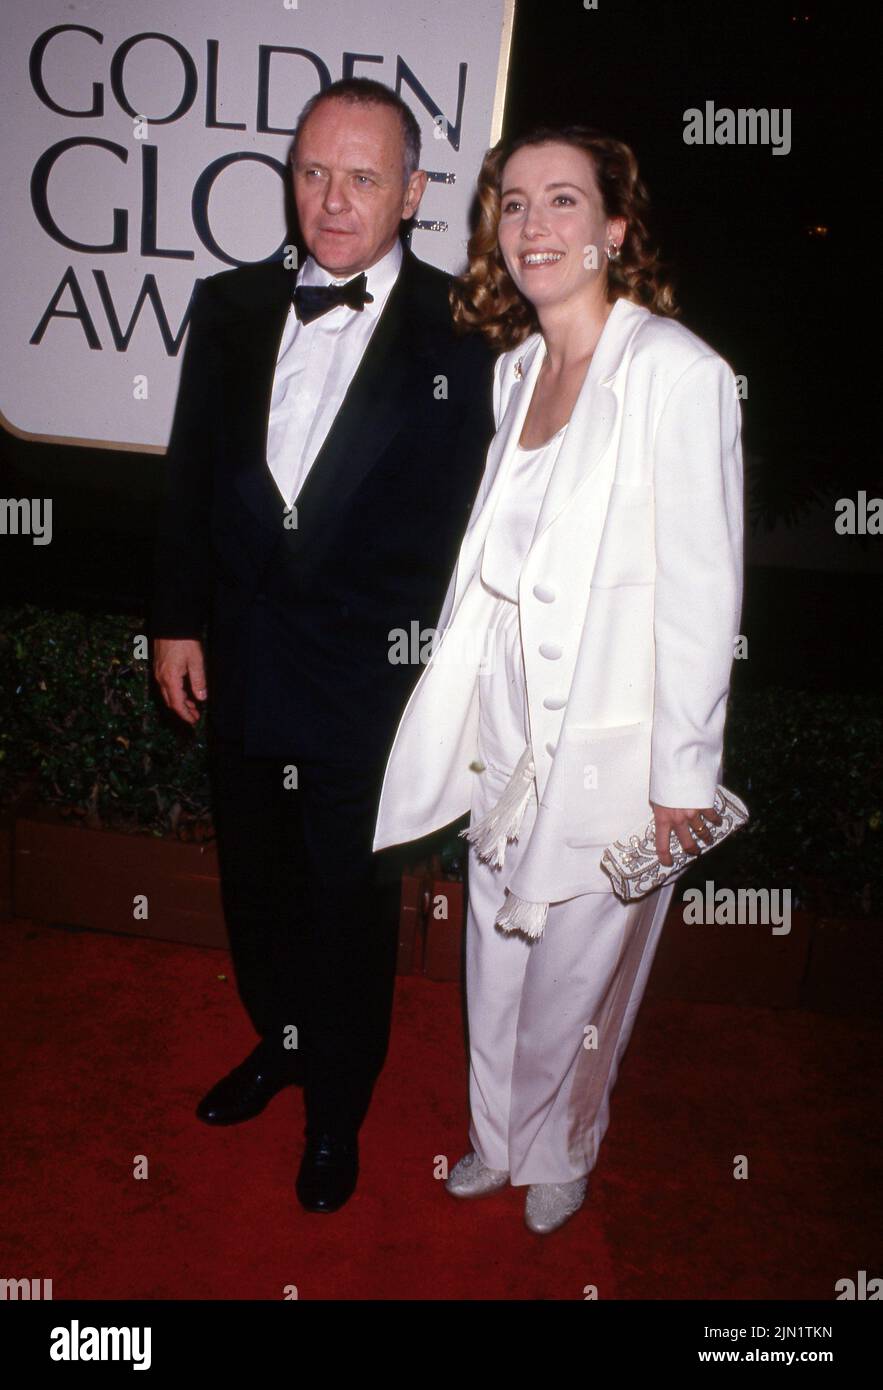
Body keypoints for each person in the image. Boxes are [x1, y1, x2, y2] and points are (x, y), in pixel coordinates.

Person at [373, 125, 744, 1234]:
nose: (534, 226)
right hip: (504, 737)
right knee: (495, 950)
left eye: (563, 202)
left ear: (614, 229)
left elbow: (700, 592)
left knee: (581, 985)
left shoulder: (678, 373)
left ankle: (563, 1144)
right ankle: (496, 1138)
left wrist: (682, 774)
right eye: (516, 204)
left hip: (614, 757)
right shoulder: (515, 370)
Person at [150, 79, 495, 1214]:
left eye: (361, 176)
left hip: (373, 685)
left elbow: (477, 527)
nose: (332, 199)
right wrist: (177, 619)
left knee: (348, 906)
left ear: (413, 191)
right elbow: (189, 482)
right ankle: (281, 1043)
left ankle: (337, 1106)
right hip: (242, 661)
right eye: (312, 172)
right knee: (256, 886)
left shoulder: (469, 333)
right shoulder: (234, 304)